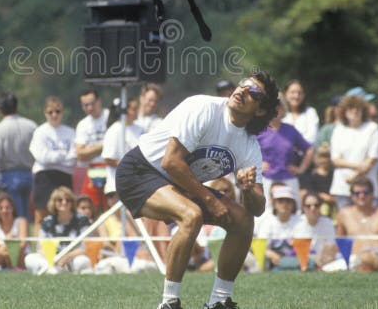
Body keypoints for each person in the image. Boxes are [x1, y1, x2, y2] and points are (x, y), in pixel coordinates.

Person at [116, 71, 279, 309]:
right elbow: (171, 162)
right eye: (243, 84)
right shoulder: (204, 108)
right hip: (139, 172)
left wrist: (245, 189)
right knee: (192, 215)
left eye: (252, 92)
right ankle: (169, 302)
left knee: (243, 221)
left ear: (261, 110)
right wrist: (210, 201)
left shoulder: (249, 145)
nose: (242, 90)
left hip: (179, 180)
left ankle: (219, 301)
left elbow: (258, 207)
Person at [0, 92, 37, 220]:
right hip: (29, 175)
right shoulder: (31, 126)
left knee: (13, 216)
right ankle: (26, 239)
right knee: (26, 216)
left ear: (0, 110)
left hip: (9, 177)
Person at [257, 92, 313, 212]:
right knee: (266, 214)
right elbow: (246, 152)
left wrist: (301, 169)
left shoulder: (291, 130)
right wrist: (257, 165)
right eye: (272, 106)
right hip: (267, 180)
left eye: (279, 106)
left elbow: (309, 149)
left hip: (289, 180)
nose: (276, 109)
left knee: (294, 213)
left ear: (284, 109)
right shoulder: (259, 130)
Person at [29, 96, 77, 226]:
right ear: (45, 113)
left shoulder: (71, 132)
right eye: (50, 112)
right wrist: (62, 156)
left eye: (57, 111)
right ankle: (39, 245)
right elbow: (41, 157)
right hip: (44, 177)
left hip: (64, 176)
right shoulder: (40, 132)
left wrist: (54, 158)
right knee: (41, 214)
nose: (54, 115)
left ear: (62, 112)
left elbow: (73, 158)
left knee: (64, 213)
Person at [335, 177, 378, 272]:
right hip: (354, 259)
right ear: (352, 196)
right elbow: (340, 242)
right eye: (357, 193)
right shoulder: (344, 214)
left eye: (365, 193)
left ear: (372, 194)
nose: (361, 196)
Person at [24, 186, 93, 275]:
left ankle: (51, 271)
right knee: (29, 258)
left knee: (83, 261)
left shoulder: (82, 220)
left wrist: (67, 256)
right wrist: (55, 259)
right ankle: (52, 271)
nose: (64, 202)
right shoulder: (47, 222)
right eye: (60, 200)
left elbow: (86, 247)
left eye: (68, 200)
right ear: (54, 203)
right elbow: (40, 248)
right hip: (51, 259)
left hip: (73, 259)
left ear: (72, 203)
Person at [329, 95, 378, 208]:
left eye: (358, 108)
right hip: (343, 187)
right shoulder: (338, 130)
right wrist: (358, 166)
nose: (355, 111)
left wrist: (354, 177)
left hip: (367, 188)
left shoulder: (372, 128)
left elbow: (372, 158)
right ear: (345, 111)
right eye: (351, 108)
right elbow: (336, 160)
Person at [74, 88, 110, 211]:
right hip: (93, 170)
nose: (89, 108)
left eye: (92, 103)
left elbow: (118, 146)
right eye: (85, 105)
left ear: (99, 101)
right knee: (92, 208)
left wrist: (90, 149)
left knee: (113, 207)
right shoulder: (83, 124)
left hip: (112, 167)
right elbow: (80, 154)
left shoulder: (110, 116)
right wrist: (104, 144)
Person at [102, 98, 144, 196]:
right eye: (134, 109)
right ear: (125, 111)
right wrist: (129, 166)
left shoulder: (140, 129)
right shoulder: (114, 130)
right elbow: (108, 158)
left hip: (137, 184)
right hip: (116, 186)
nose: (137, 111)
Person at [256, 186, 301, 271]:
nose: (284, 204)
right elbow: (261, 247)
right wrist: (272, 255)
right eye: (280, 201)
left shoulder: (300, 221)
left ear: (293, 204)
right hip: (274, 264)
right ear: (274, 203)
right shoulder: (267, 222)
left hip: (296, 260)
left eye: (288, 201)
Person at [0, 193, 29, 271]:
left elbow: (23, 245)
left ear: (13, 209)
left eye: (7, 208)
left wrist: (0, 253)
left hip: (18, 259)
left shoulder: (21, 222)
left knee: (11, 237)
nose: (4, 211)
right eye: (1, 208)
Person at [293, 192, 337, 270]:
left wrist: (320, 259)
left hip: (323, 260)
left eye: (316, 205)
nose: (312, 208)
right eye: (308, 206)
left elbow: (331, 246)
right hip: (300, 260)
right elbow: (295, 247)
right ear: (303, 208)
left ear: (320, 207)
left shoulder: (328, 222)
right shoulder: (296, 222)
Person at [298, 145, 335, 216]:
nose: (324, 160)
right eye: (321, 157)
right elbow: (307, 191)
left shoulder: (334, 175)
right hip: (318, 205)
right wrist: (321, 195)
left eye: (326, 157)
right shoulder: (310, 176)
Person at [282, 80, 319, 145]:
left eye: (300, 93)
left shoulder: (310, 112)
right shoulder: (279, 114)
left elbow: (312, 138)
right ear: (285, 94)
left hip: (306, 152)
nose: (296, 96)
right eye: (292, 92)